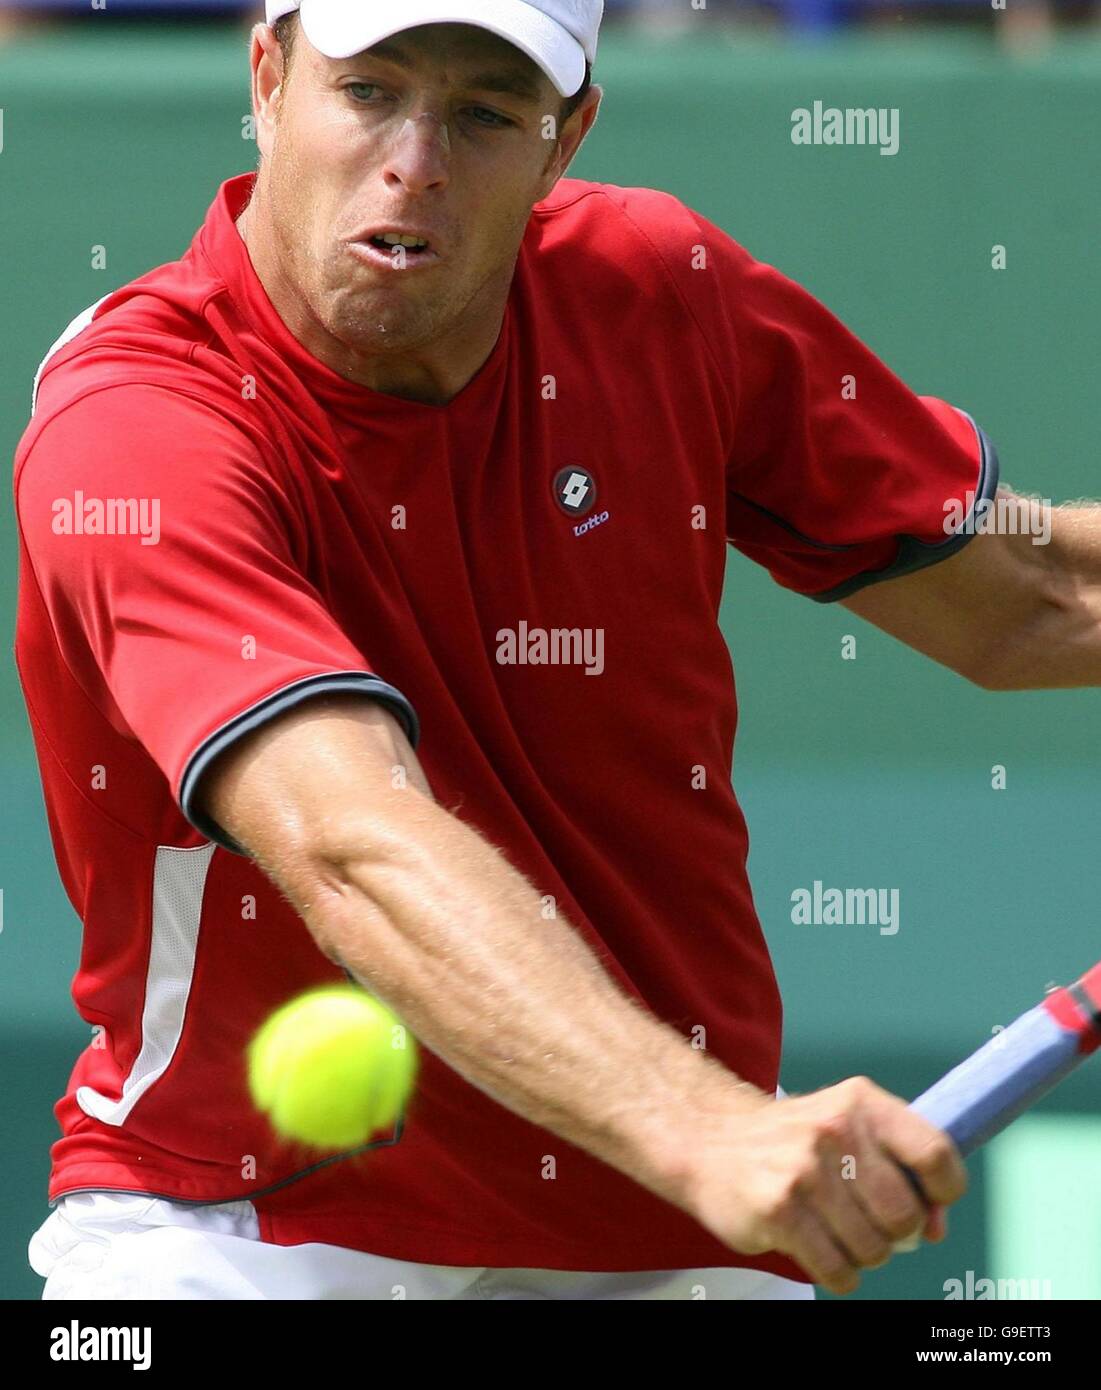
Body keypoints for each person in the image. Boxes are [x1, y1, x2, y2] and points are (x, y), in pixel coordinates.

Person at [28, 0, 1085, 1301]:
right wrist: (706, 1125)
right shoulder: (136, 425)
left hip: (664, 1225)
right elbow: (351, 840)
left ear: (563, 137)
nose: (415, 157)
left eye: (482, 111)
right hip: (245, 1227)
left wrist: (703, 1144)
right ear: (267, 76)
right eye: (369, 91)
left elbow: (1025, 597)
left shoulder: (660, 291)